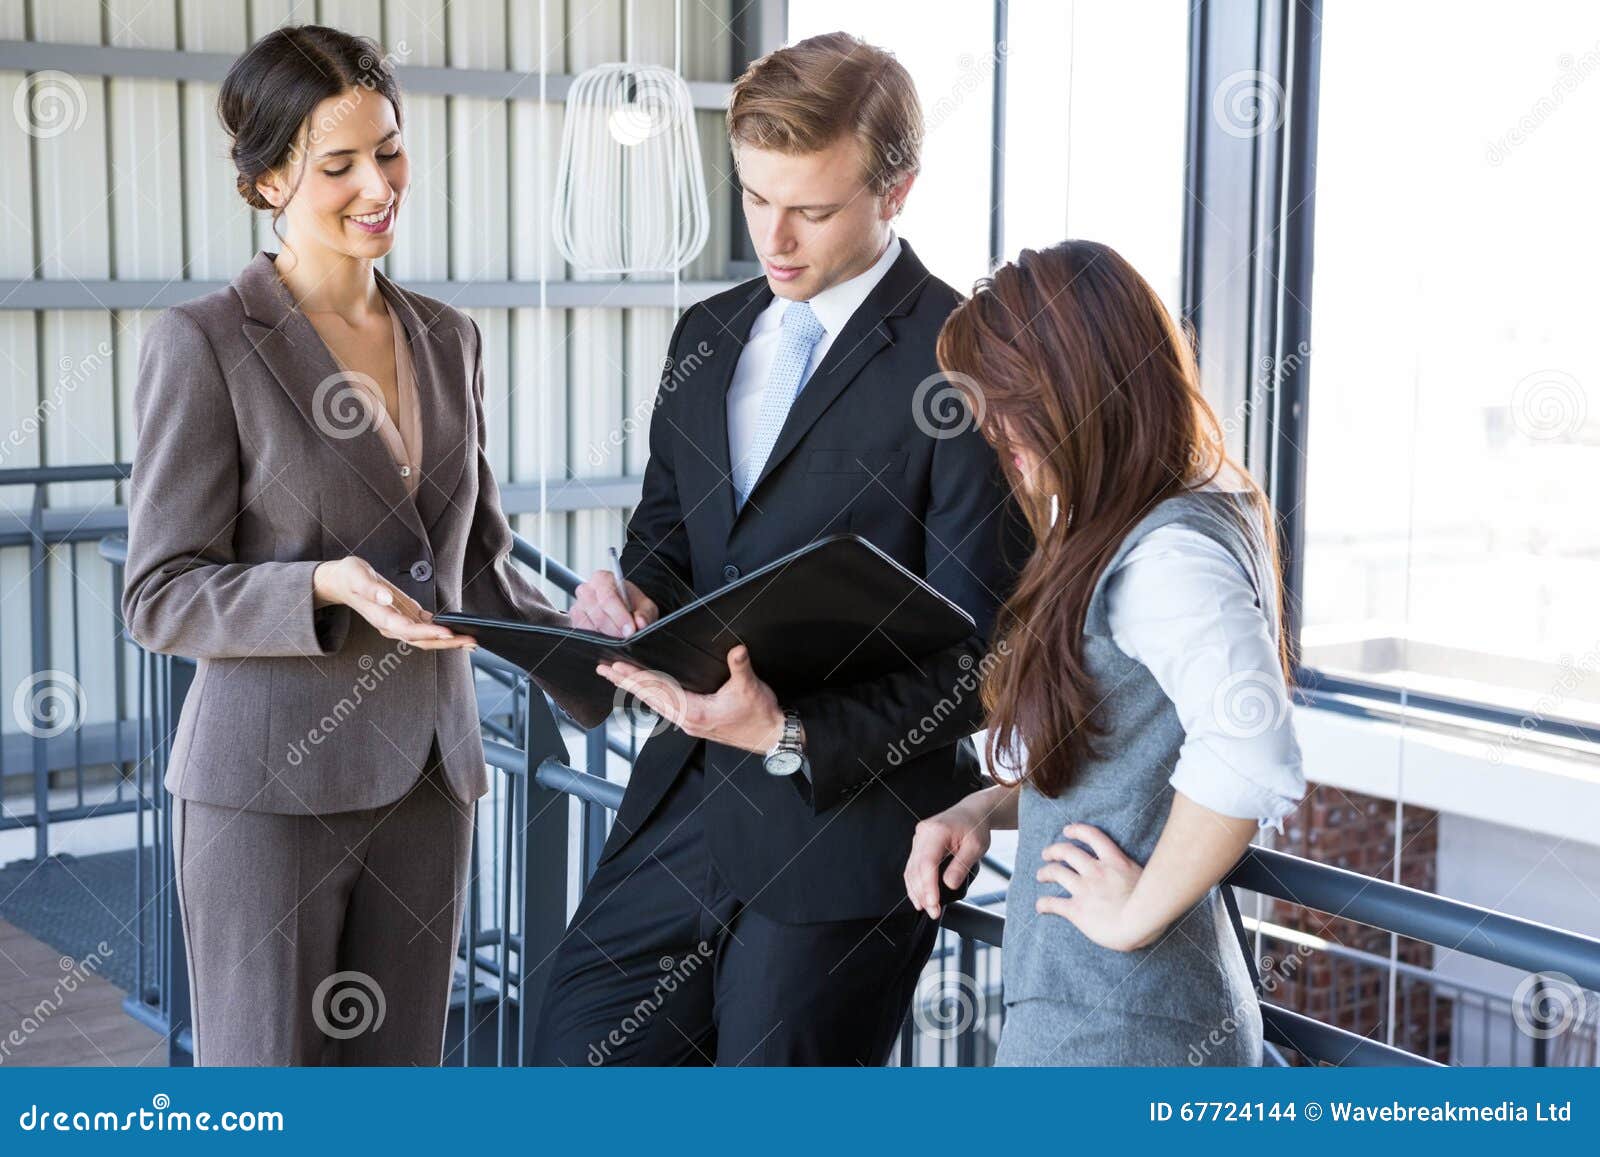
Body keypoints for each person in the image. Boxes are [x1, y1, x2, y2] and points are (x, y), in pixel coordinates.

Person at [531, 32, 1028, 1066]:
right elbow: (667, 542)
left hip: (847, 838)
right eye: (755, 197)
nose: (775, 236)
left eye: (811, 207)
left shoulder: (968, 364)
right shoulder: (708, 336)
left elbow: (986, 660)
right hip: (680, 802)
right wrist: (626, 601)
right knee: (573, 1049)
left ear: (896, 192)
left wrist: (791, 734)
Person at [120, 24, 608, 1065]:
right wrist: (321, 585)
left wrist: (618, 665)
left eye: (388, 148)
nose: (378, 184)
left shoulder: (446, 336)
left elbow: (475, 565)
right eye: (336, 165)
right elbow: (160, 591)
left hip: (429, 780)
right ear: (264, 184)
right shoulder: (203, 343)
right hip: (266, 794)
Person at [903, 240, 1306, 1066]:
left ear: (1076, 389)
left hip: (1113, 1032)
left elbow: (1251, 751)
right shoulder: (1183, 511)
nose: (990, 428)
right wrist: (984, 807)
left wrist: (1133, 911)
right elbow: (1130, 756)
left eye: (1007, 402)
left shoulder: (1164, 555)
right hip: (1121, 1020)